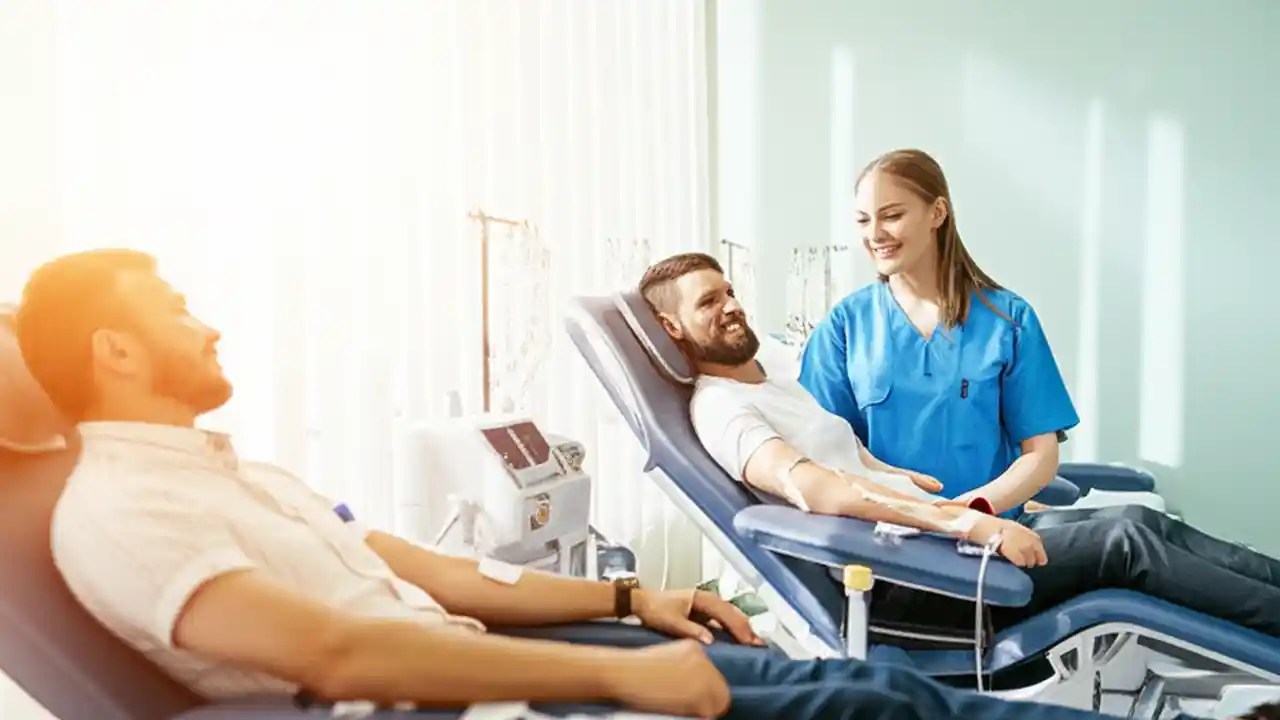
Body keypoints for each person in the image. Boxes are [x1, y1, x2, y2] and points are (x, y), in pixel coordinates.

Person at [13, 248, 1168, 720]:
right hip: (478, 700)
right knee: (863, 704)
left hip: (498, 655)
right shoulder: (118, 512)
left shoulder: (236, 474)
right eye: (171, 312)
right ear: (114, 353)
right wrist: (628, 679)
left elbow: (416, 571)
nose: (204, 324)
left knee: (881, 691)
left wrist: (627, 606)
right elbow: (340, 658)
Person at [636, 251, 1280, 640]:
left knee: (1137, 518)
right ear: (671, 327)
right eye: (707, 303)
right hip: (904, 579)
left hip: (927, 545)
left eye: (729, 292)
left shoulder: (771, 372)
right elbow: (816, 488)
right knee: (1126, 542)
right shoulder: (722, 408)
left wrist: (893, 474)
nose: (730, 307)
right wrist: (972, 530)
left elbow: (843, 455)